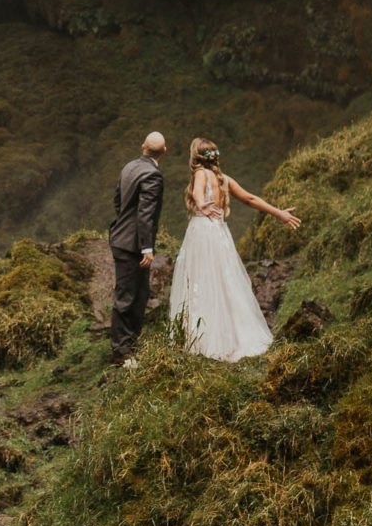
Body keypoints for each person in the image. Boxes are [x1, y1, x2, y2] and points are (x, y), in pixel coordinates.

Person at [167, 137, 301, 361]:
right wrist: (279, 213)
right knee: (225, 283)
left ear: (195, 157)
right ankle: (232, 335)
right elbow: (250, 198)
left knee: (202, 282)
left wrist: (201, 204)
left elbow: (199, 192)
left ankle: (204, 339)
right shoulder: (224, 179)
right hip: (219, 234)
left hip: (203, 232)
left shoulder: (200, 174)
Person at [108, 131, 167, 366]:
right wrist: (146, 247)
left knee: (138, 293)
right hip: (132, 245)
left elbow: (117, 200)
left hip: (120, 238)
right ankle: (120, 352)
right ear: (164, 151)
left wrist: (124, 226)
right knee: (127, 295)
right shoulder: (153, 175)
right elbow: (146, 213)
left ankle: (130, 342)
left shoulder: (129, 167)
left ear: (143, 147)